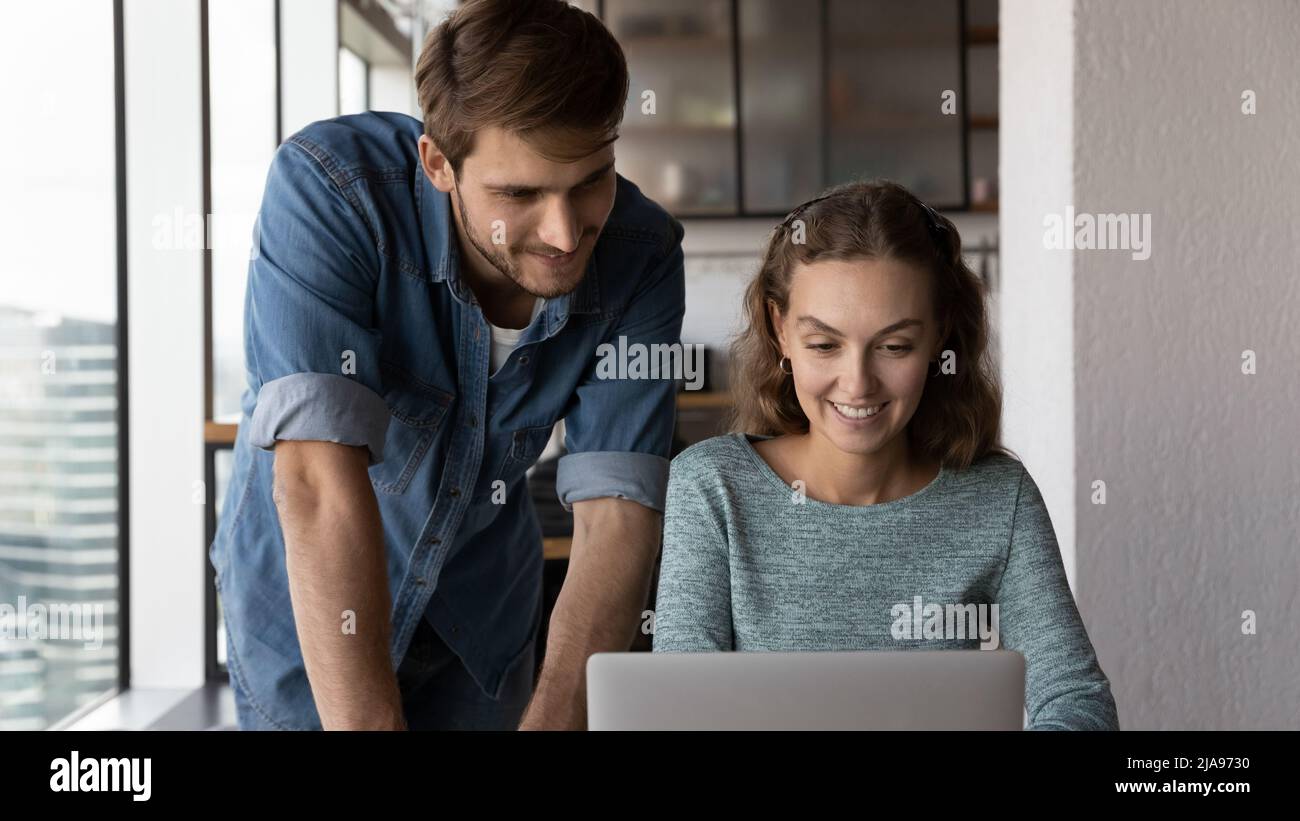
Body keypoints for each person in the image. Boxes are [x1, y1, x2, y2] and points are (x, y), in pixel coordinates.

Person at [209, 0, 684, 730]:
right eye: (520, 194)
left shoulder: (641, 254)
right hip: (310, 614)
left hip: (480, 621)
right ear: (438, 163)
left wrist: (556, 715)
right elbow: (316, 479)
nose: (564, 233)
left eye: (590, 179)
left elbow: (618, 512)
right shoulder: (332, 193)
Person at [652, 180, 1119, 730]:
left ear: (940, 334)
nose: (858, 384)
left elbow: (1076, 702)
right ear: (780, 330)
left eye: (895, 346)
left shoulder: (999, 499)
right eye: (824, 345)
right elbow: (681, 716)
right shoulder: (711, 489)